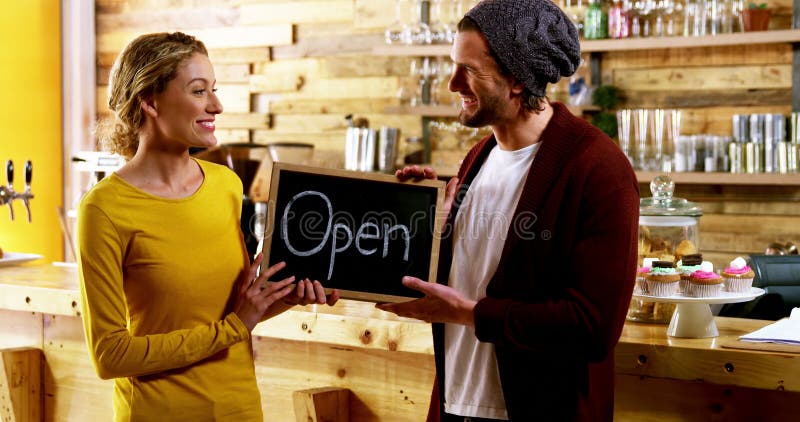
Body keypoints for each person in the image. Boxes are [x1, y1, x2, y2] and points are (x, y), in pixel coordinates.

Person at [377, 1, 639, 420]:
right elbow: (464, 279)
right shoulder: (477, 158)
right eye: (453, 65)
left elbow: (593, 327)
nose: (451, 84)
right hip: (455, 405)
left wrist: (469, 315)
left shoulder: (597, 168)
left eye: (470, 70)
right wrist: (424, 224)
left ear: (517, 79)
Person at [77, 32, 338, 421]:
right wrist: (234, 327)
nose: (216, 105)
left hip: (241, 410)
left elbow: (236, 313)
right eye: (199, 91)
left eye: (213, 90)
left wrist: (286, 297)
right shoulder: (103, 209)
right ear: (149, 101)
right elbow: (110, 356)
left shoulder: (227, 186)